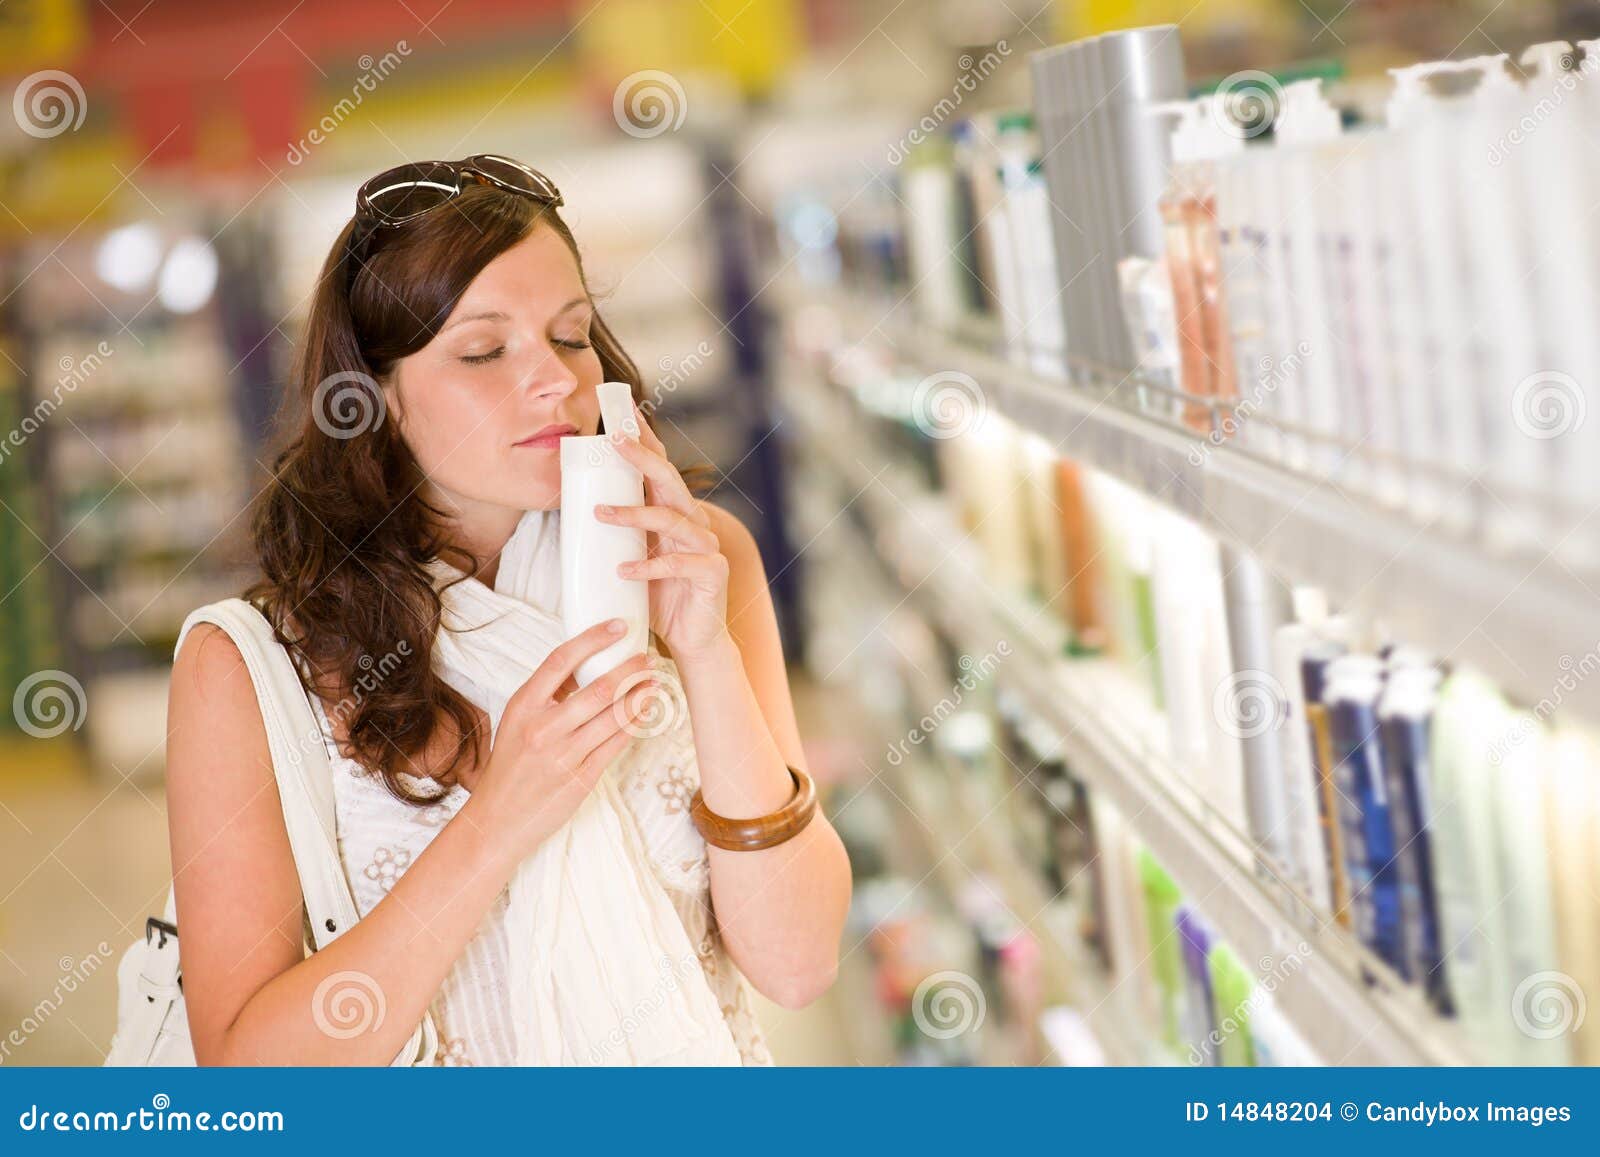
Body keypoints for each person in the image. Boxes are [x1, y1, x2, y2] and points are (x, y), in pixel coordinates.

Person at [165, 156, 851, 1066]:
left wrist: (707, 653)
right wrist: (497, 822)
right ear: (374, 396)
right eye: (484, 351)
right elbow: (249, 1071)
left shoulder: (698, 557)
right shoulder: (250, 665)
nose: (556, 381)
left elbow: (798, 964)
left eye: (571, 335)